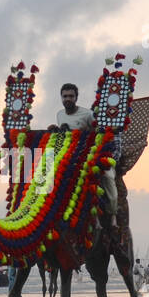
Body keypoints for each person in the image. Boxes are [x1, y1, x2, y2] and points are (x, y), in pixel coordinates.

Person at [50, 82, 118, 228]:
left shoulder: (87, 114)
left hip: (89, 154)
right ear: (61, 98)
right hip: (68, 156)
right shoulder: (60, 114)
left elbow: (99, 132)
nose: (68, 99)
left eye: (71, 96)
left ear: (76, 98)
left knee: (108, 177)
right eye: (65, 96)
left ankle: (113, 214)